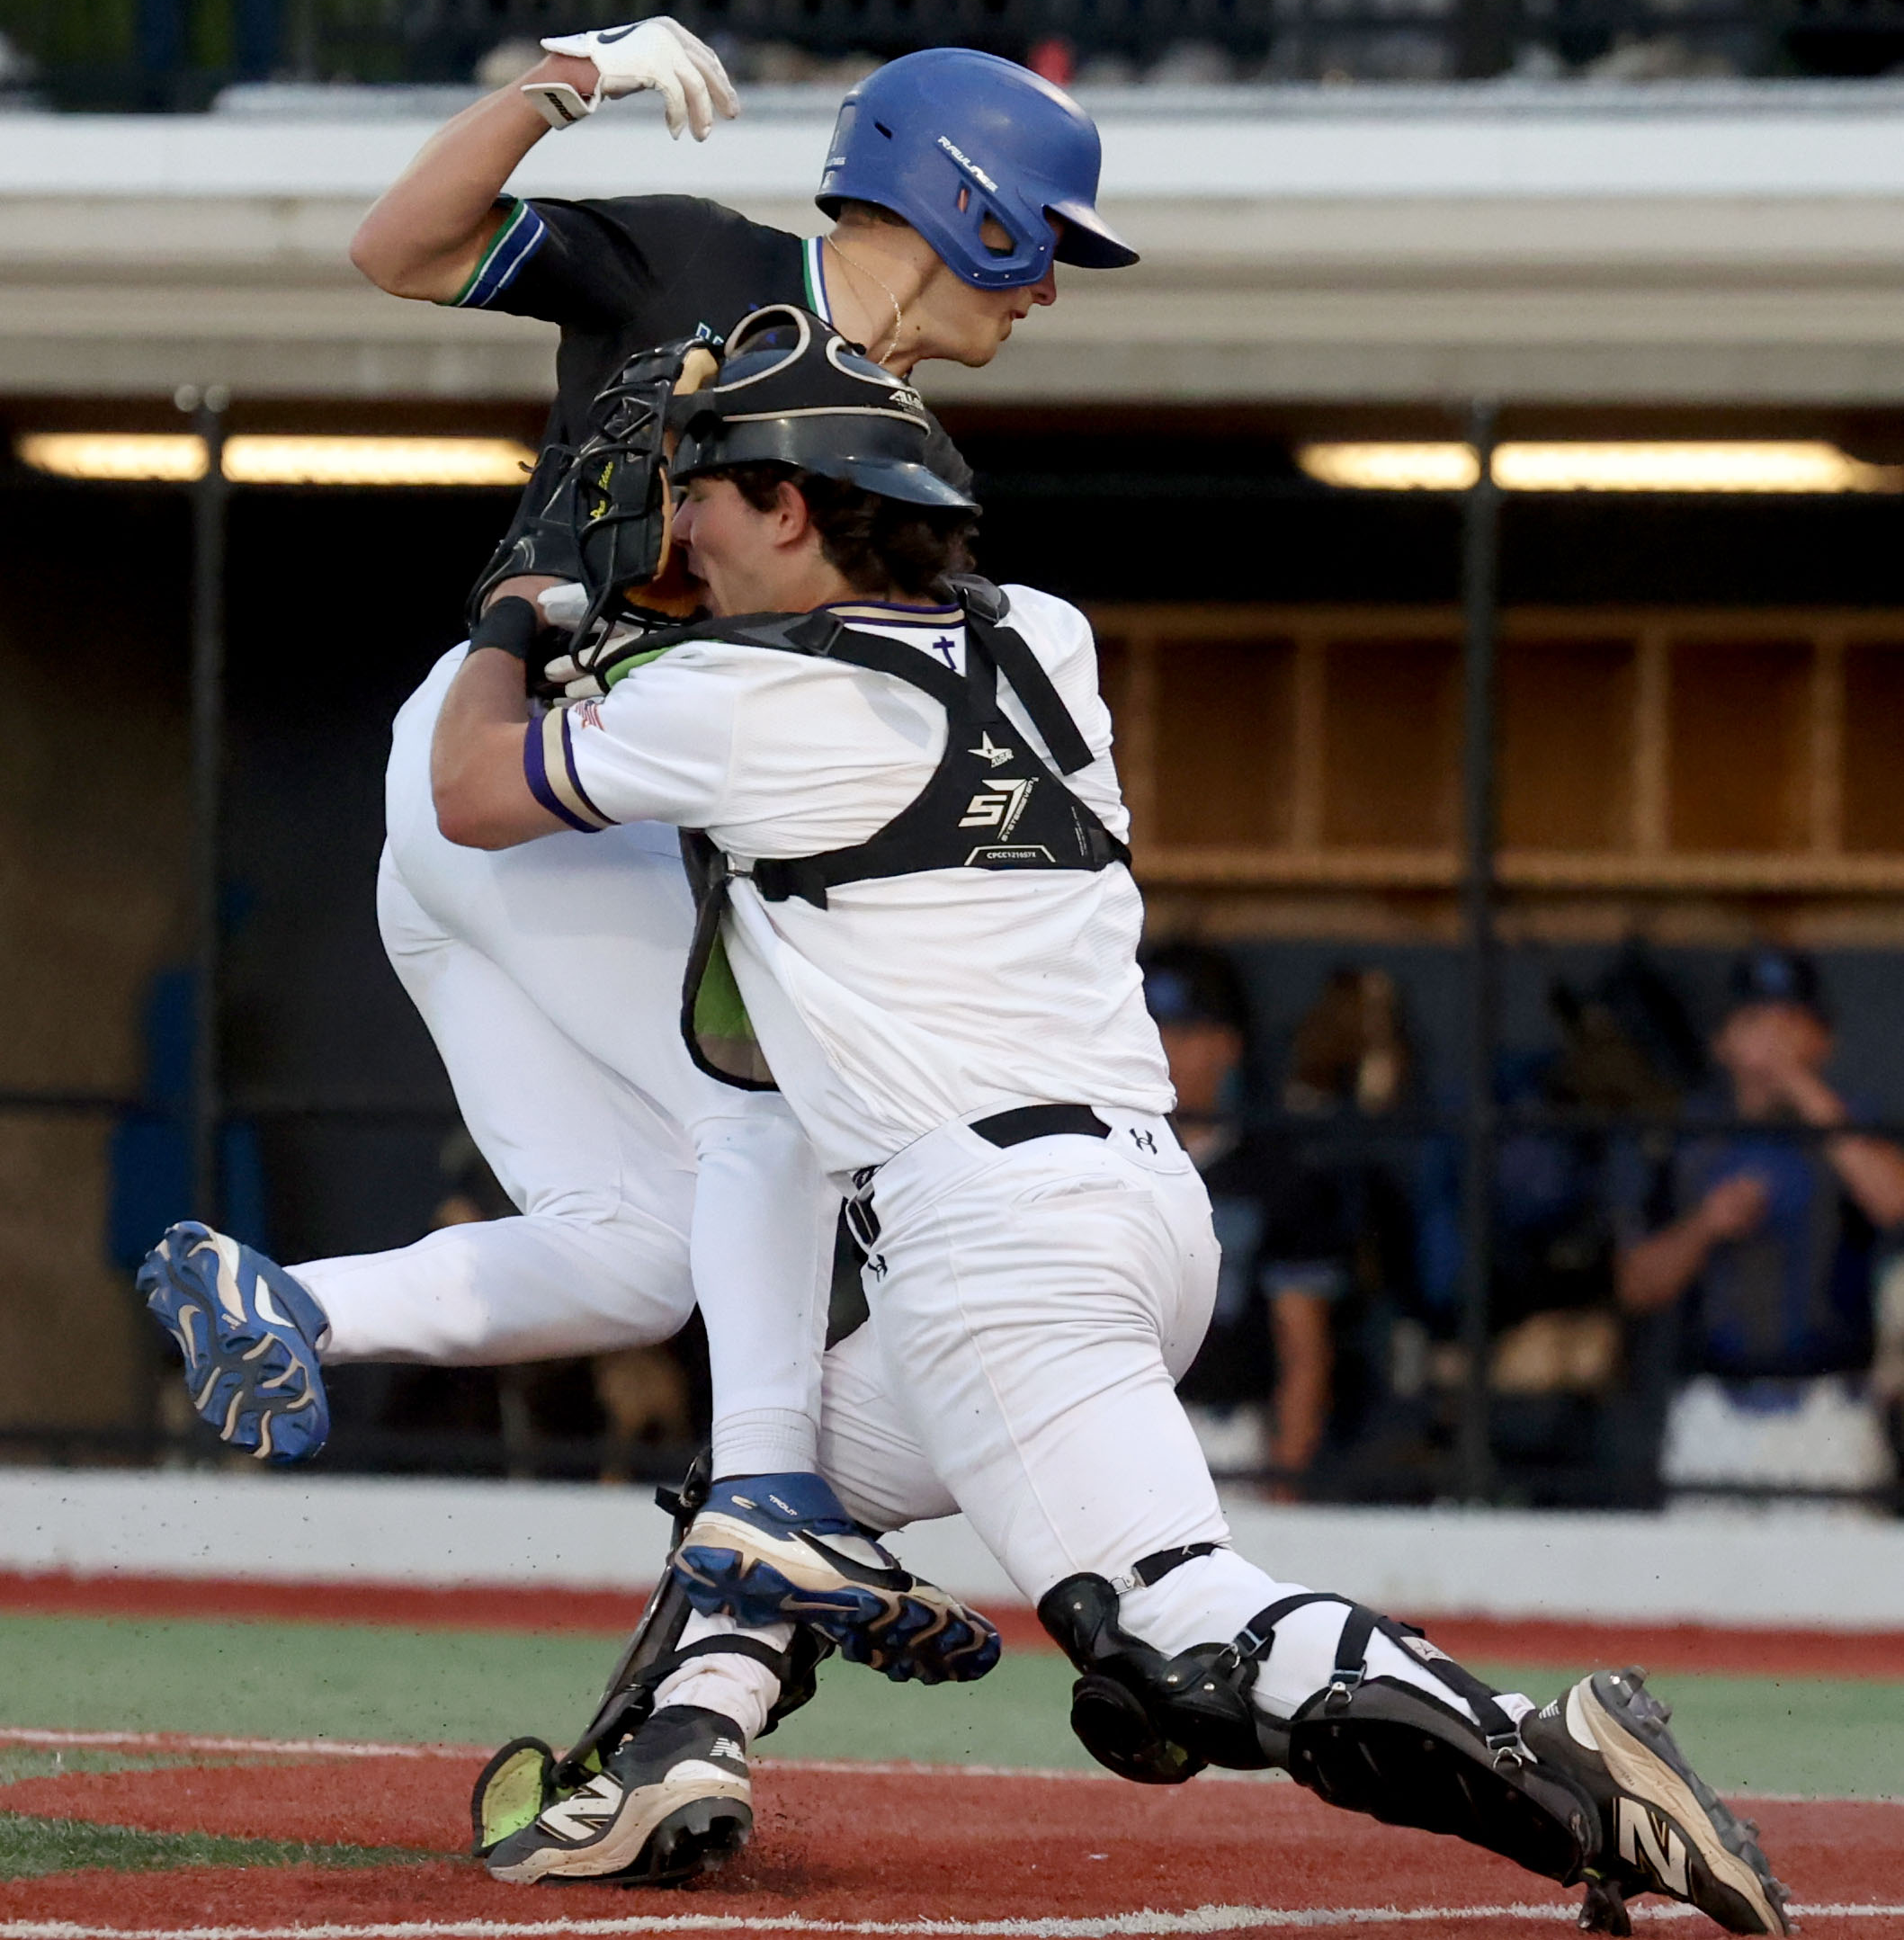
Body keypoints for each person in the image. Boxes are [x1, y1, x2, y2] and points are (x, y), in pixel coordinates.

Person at [430, 315, 1791, 1937]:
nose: (682, 525)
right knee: (773, 1484)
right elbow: (825, 660)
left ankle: (1561, 1771)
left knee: (1171, 1628)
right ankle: (664, 1754)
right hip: (1137, 1210)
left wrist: (520, 604)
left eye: (712, 493)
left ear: (799, 506)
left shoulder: (735, 698)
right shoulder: (1040, 638)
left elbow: (469, 789)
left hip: (991, 1239)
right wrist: (662, 618)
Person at [135, 29, 1139, 1884]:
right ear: (964, 203)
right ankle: (766, 1499)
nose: (1051, 283)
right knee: (772, 1101)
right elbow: (398, 248)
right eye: (1039, 240)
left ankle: (291, 1302)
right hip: (513, 770)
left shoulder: (899, 451)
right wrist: (558, 78)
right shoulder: (703, 260)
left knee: (638, 1249)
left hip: (539, 812)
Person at [1615, 946, 1904, 1500]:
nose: (1773, 1035)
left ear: (1825, 1040)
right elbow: (1635, 1285)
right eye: (1754, 1020)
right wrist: (1707, 1226)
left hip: (1829, 1411)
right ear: (1722, 1042)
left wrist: (1798, 1083)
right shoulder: (1687, 1141)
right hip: (1715, 1411)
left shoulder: (1852, 1126)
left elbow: (1893, 1205)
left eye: (1792, 1020)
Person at [1142, 943, 1349, 1492]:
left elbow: (1303, 1347)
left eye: (1183, 1031)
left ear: (1227, 1045)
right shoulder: (1096, 1160)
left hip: (1224, 1435)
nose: (1161, 1049)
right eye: (1149, 1027)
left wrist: (1286, 1471)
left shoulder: (1274, 1179)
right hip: (1111, 1430)